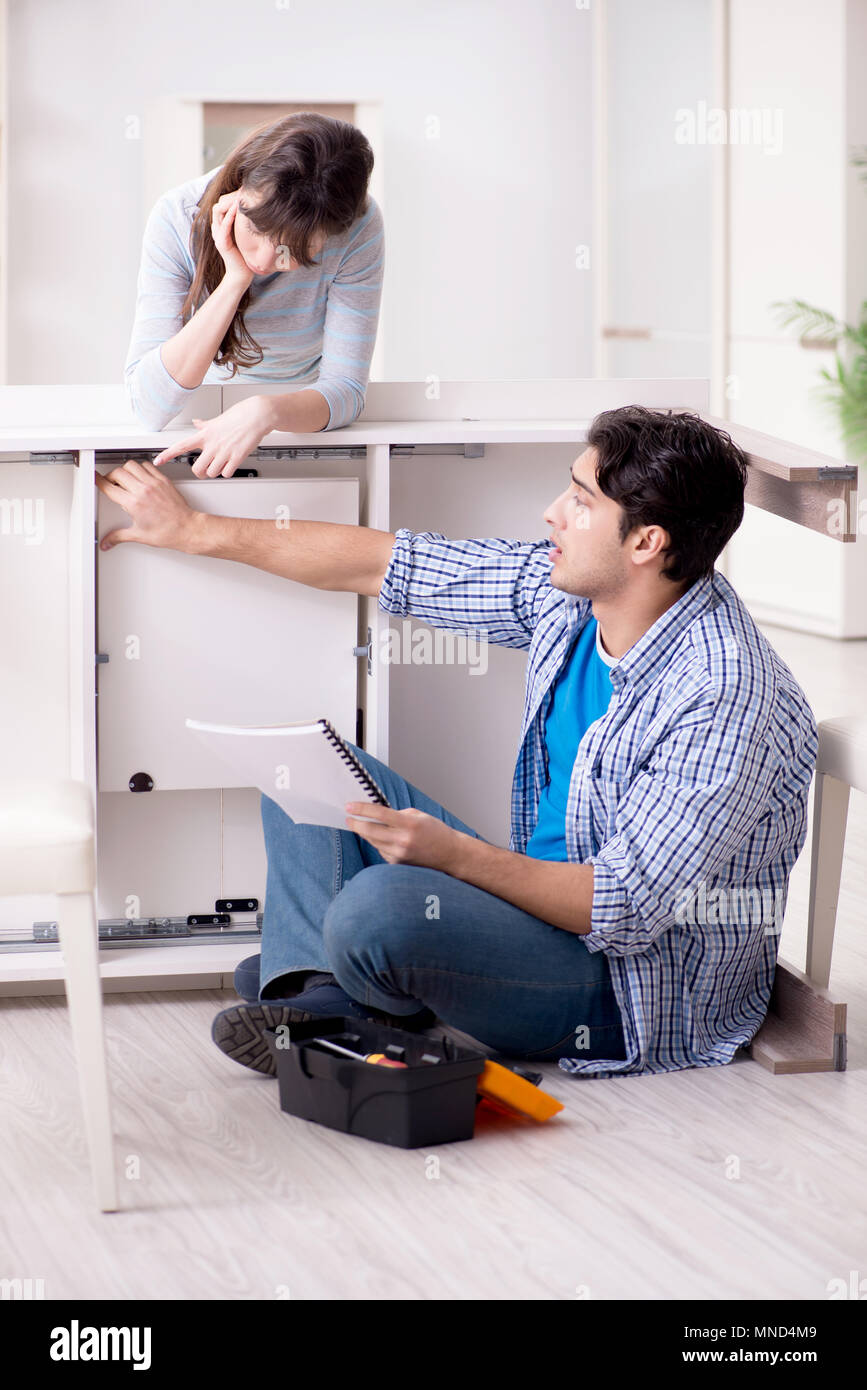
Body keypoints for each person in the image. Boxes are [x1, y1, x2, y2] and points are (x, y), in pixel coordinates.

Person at [94, 405, 818, 1079]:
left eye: (579, 501)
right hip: (537, 912)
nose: (551, 513)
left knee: (378, 910)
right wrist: (193, 531)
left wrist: (455, 857)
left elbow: (625, 908)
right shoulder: (569, 595)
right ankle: (329, 993)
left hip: (625, 989)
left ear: (645, 542)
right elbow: (385, 566)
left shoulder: (724, 693)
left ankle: (331, 981)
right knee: (303, 776)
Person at [123, 112, 383, 477]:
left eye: (295, 249)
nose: (262, 259)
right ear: (239, 187)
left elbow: (347, 389)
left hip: (300, 430)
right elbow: (149, 407)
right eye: (254, 227)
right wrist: (234, 281)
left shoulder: (359, 228)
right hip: (195, 425)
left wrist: (266, 411)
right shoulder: (177, 217)